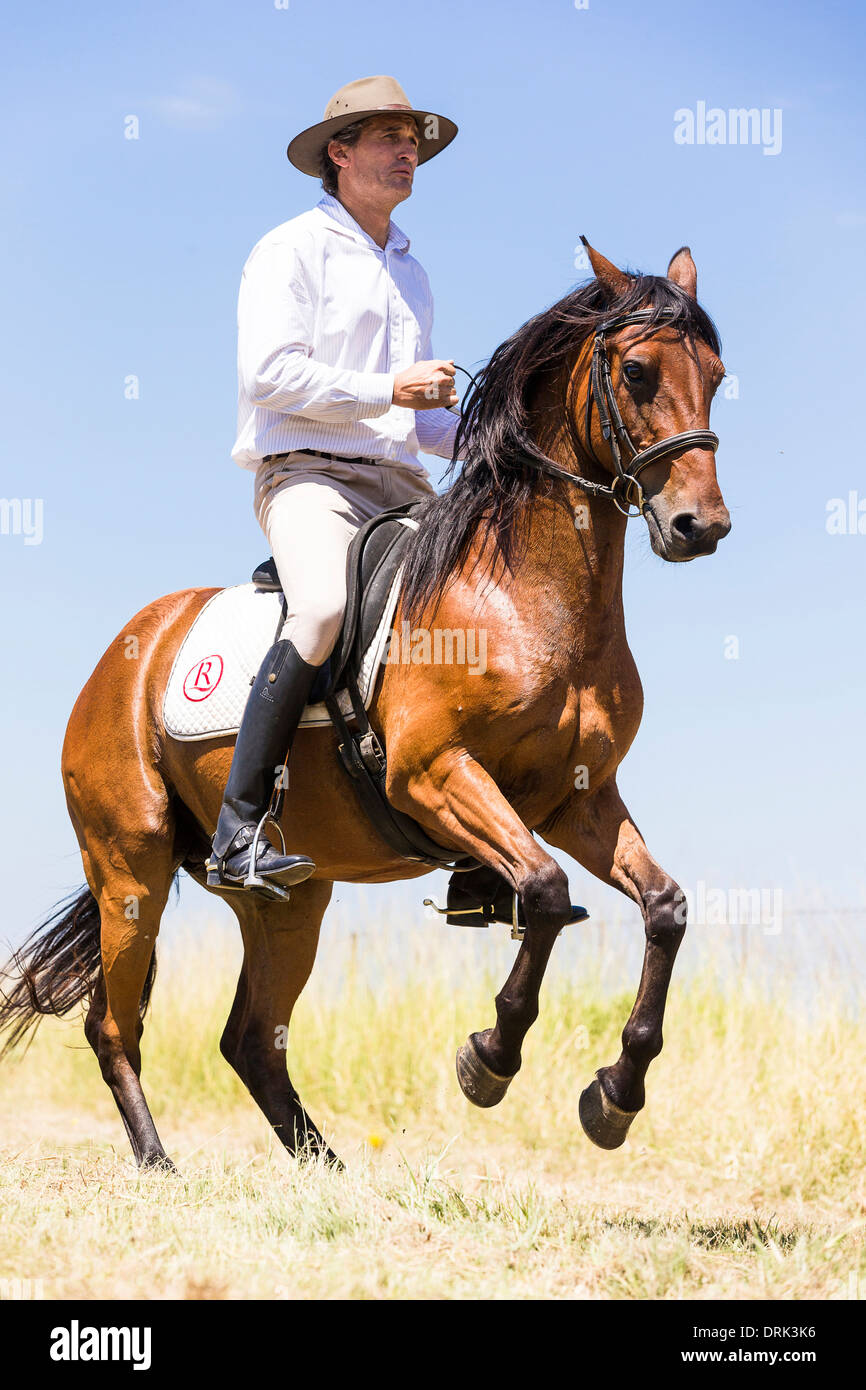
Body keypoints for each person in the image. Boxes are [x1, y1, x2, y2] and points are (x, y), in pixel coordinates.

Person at [206, 76, 462, 898]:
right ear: (339, 154)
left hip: (401, 484)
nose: (407, 150)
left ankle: (479, 851)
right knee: (319, 608)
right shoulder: (289, 248)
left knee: (486, 606)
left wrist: (508, 444)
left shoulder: (411, 270)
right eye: (388, 135)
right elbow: (270, 375)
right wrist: (394, 387)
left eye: (413, 138)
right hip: (308, 476)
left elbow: (421, 426)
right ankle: (238, 829)